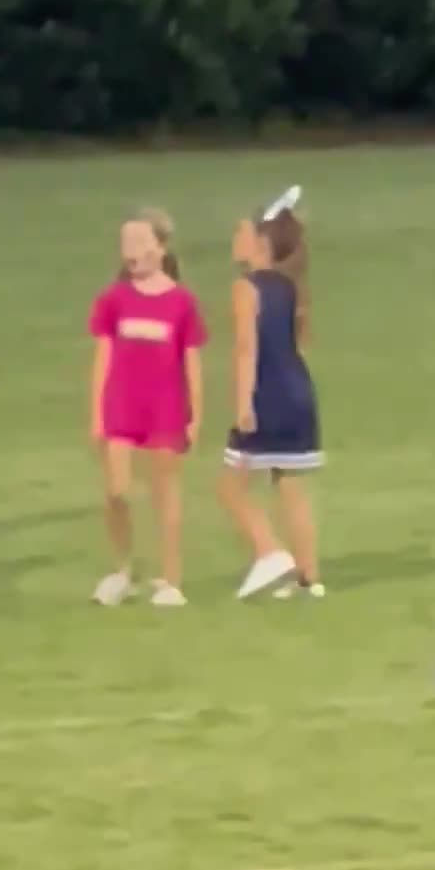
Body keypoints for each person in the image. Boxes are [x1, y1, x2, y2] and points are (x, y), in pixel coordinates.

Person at [88, 209, 205, 609]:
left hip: (165, 409)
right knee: (116, 491)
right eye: (126, 244)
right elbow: (102, 358)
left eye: (140, 242)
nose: (131, 252)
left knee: (165, 494)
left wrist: (196, 414)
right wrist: (96, 414)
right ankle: (122, 571)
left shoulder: (182, 302)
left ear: (161, 247)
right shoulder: (113, 300)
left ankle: (169, 580)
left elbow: (192, 363)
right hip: (121, 407)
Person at [220, 194, 324, 604]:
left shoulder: (245, 288)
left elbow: (247, 348)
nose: (234, 238)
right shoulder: (292, 286)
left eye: (241, 232)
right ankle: (309, 579)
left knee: (230, 488)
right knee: (291, 487)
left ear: (260, 241)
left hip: (266, 398)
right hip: (299, 395)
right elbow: (296, 343)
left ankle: (270, 552)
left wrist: (244, 404)